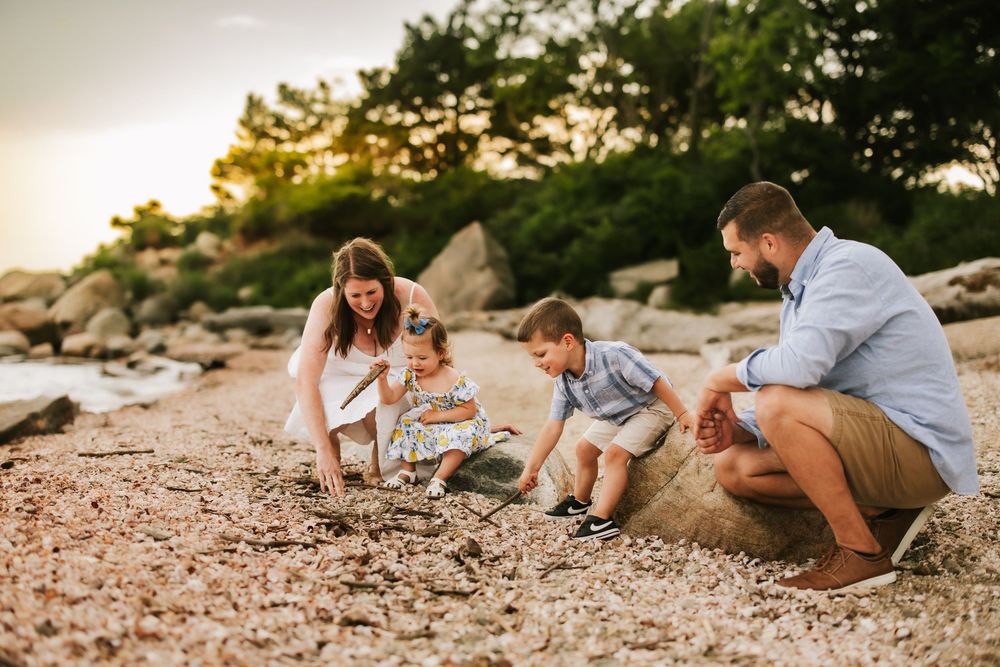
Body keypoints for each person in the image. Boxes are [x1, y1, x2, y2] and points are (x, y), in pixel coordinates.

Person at [694, 181, 979, 592]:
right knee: (735, 467)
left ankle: (862, 554)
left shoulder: (847, 267)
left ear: (769, 243)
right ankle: (887, 510)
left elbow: (798, 369)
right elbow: (815, 387)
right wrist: (740, 429)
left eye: (737, 252)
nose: (735, 264)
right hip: (881, 441)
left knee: (775, 401)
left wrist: (719, 378)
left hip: (921, 449)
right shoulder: (800, 290)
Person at [516, 297, 695, 540]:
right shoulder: (564, 382)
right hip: (618, 416)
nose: (537, 363)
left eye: (541, 354)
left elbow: (656, 381)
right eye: (533, 358)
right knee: (583, 449)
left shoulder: (614, 355)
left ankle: (602, 519)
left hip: (652, 408)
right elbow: (552, 426)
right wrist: (532, 467)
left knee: (615, 454)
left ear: (567, 341)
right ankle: (580, 501)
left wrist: (682, 413)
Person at [284, 238, 438, 497]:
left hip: (395, 376)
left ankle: (380, 457)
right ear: (341, 290)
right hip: (339, 373)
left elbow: (439, 359)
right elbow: (306, 381)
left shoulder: (411, 296)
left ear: (387, 282)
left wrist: (460, 411)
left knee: (385, 402)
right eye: (355, 295)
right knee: (320, 390)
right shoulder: (326, 305)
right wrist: (321, 451)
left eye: (371, 292)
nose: (365, 303)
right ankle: (332, 458)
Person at [372, 305, 495, 498]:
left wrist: (439, 415)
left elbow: (468, 411)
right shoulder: (409, 375)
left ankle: (440, 477)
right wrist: (382, 380)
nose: (414, 363)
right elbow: (389, 398)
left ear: (440, 353)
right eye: (409, 357)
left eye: (422, 357)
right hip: (434, 421)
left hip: (460, 420)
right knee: (405, 423)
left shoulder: (452, 378)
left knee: (461, 435)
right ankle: (408, 471)